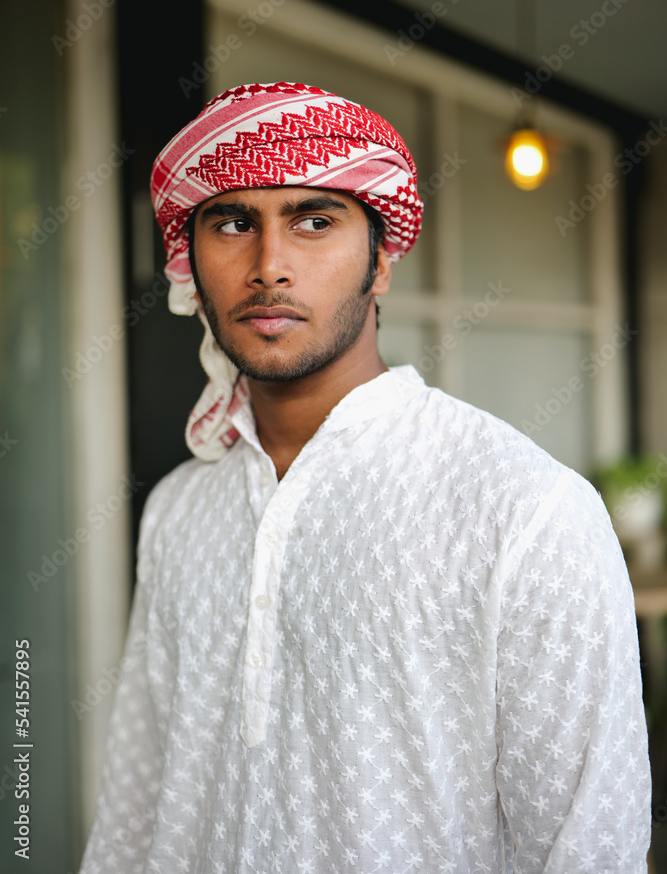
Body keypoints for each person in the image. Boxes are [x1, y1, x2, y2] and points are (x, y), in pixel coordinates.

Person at [79, 81, 651, 873]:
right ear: (191, 264)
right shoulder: (179, 509)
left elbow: (588, 845)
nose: (268, 266)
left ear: (380, 262)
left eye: (314, 221)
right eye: (233, 222)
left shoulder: (524, 509)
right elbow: (136, 809)